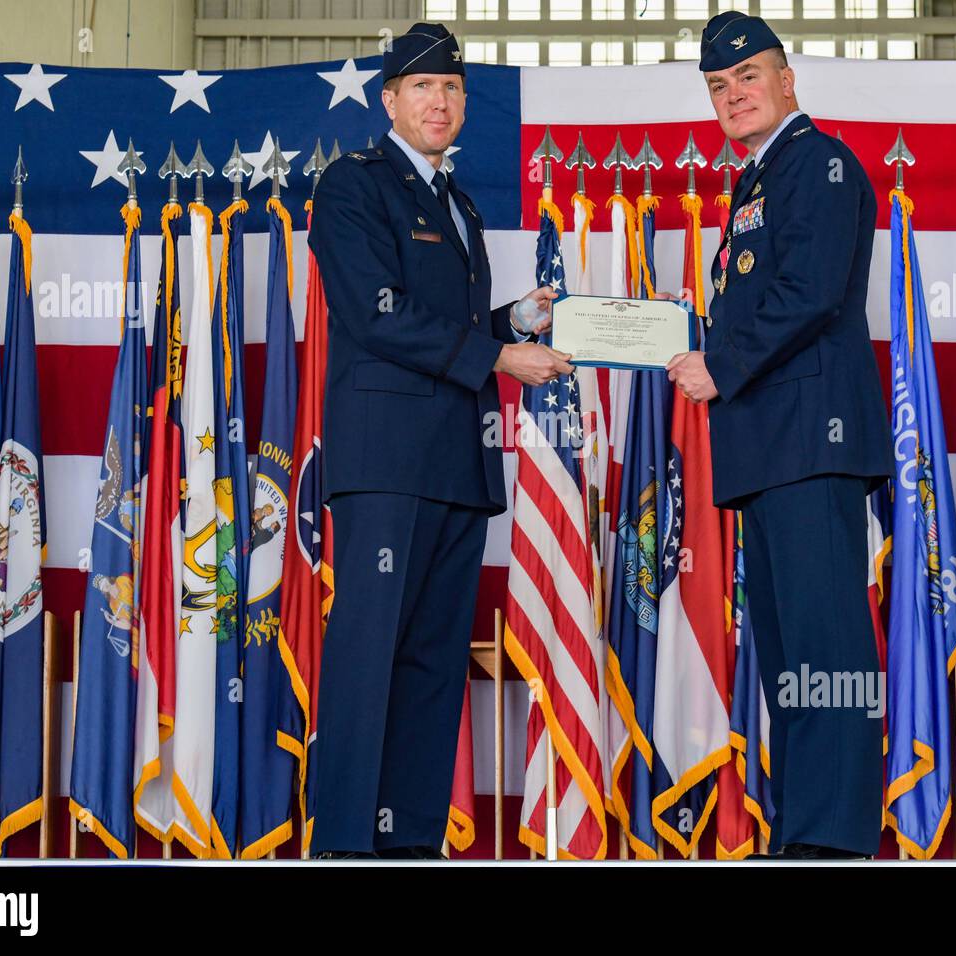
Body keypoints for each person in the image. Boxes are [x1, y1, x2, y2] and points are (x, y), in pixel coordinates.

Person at [308, 21, 572, 859]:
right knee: (367, 664)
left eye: (453, 88)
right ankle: (346, 847)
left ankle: (410, 842)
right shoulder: (351, 185)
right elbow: (377, 313)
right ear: (391, 100)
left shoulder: (457, 202)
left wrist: (512, 322)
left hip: (456, 467)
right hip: (386, 466)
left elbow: (447, 328)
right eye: (423, 87)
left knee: (429, 668)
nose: (441, 100)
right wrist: (499, 351)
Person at [666, 12, 893, 859]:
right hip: (768, 447)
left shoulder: (821, 166)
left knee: (828, 648)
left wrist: (719, 365)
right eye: (718, 88)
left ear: (788, 80)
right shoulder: (758, 184)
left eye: (747, 78)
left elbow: (811, 291)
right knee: (792, 656)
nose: (732, 95)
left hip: (812, 440)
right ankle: (805, 831)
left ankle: (831, 841)